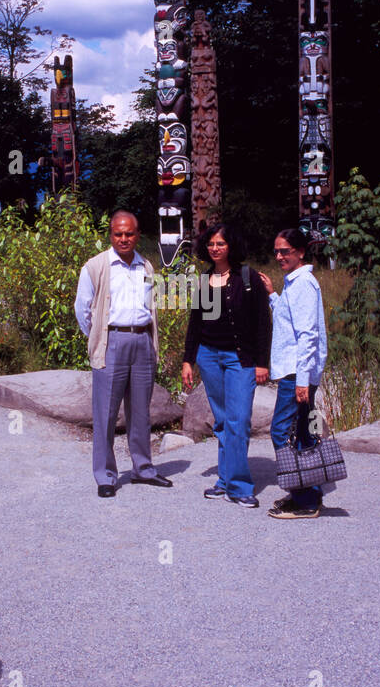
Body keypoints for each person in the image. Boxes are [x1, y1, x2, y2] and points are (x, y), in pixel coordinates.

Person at [74, 210, 171, 497]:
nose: (124, 239)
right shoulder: (95, 266)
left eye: (130, 233)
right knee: (105, 413)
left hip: (142, 342)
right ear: (111, 235)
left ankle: (143, 468)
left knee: (141, 411)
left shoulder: (146, 266)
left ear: (138, 235)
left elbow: (152, 307)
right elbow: (83, 310)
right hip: (111, 341)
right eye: (119, 233)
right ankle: (105, 476)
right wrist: (100, 337)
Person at [181, 222, 271, 507]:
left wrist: (261, 363)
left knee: (239, 420)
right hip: (209, 358)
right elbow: (195, 324)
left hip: (239, 359)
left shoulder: (249, 278)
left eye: (220, 243)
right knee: (222, 421)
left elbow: (263, 324)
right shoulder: (204, 280)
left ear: (231, 245)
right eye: (211, 244)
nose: (215, 248)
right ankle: (224, 480)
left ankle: (240, 485)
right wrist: (188, 359)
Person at [258, 228, 329, 519]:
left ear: (301, 251)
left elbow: (308, 336)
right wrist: (273, 295)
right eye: (276, 251)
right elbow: (290, 323)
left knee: (281, 432)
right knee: (303, 433)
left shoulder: (303, 284)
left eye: (285, 251)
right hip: (297, 369)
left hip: (295, 372)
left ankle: (305, 497)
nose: (279, 256)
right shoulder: (294, 283)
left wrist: (302, 381)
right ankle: (307, 494)